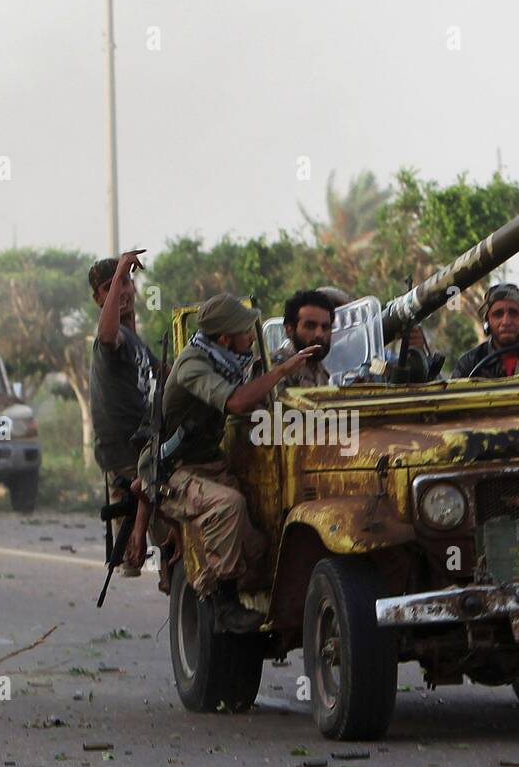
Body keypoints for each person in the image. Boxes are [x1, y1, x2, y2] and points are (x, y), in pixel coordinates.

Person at [128, 293, 320, 632]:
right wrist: (283, 370)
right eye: (246, 331)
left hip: (206, 465)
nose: (251, 337)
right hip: (173, 471)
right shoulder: (194, 365)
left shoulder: (228, 359)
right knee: (227, 506)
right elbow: (236, 402)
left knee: (258, 546)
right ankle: (221, 603)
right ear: (225, 338)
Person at [88, 250, 155, 577]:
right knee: (136, 554)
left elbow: (169, 373)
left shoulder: (136, 341)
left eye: (128, 281)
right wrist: (118, 274)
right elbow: (106, 333)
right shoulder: (110, 340)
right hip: (127, 453)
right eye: (112, 286)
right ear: (99, 297)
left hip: (143, 446)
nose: (124, 289)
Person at [452, 283, 519, 378]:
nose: (506, 321)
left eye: (513, 313)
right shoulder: (469, 363)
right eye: (498, 314)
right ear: (488, 320)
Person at [272, 289, 336, 387]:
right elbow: (275, 402)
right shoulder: (273, 367)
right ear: (290, 329)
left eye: (325, 327)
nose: (319, 334)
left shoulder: (321, 372)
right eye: (310, 326)